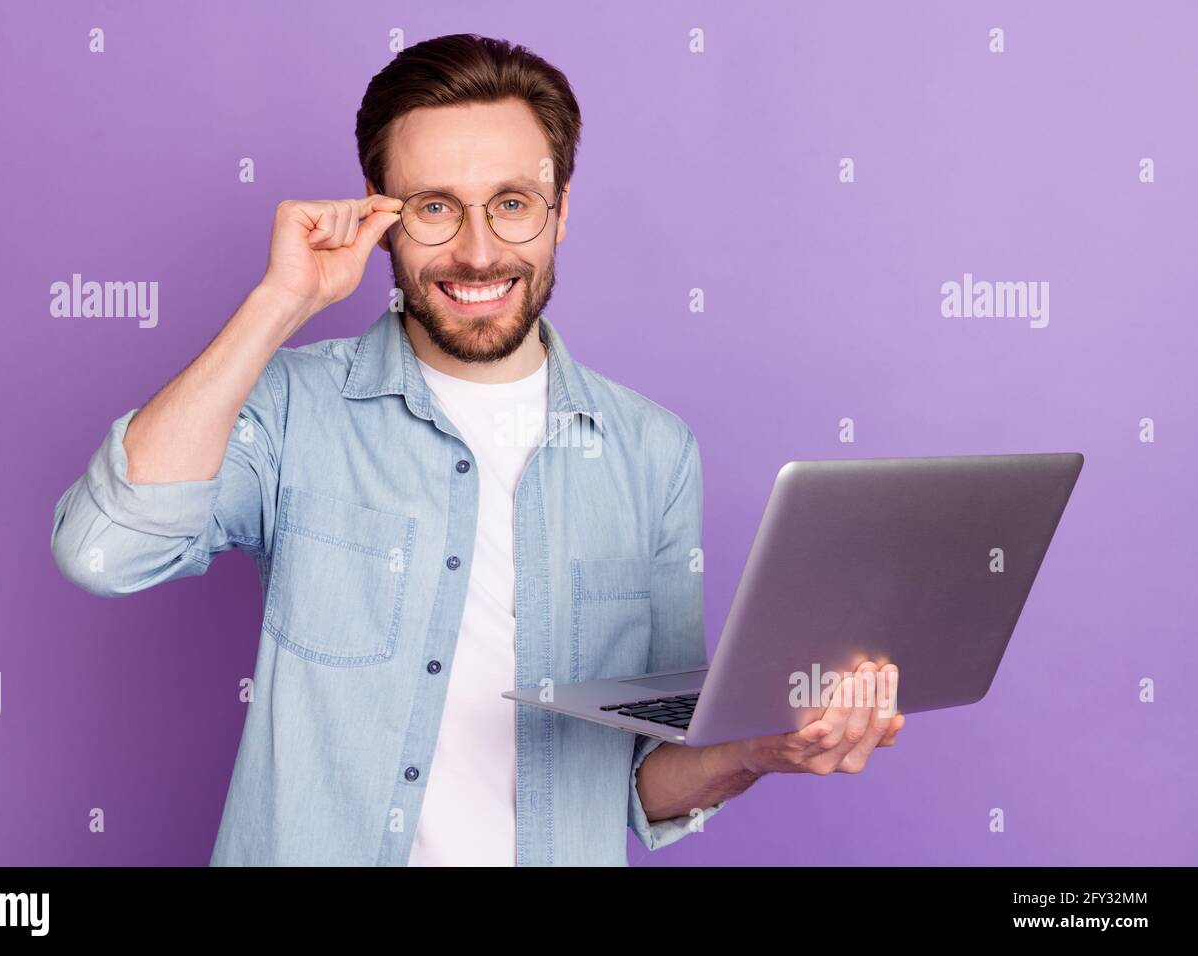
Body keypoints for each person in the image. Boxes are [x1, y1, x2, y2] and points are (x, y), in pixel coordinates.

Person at [50, 33, 904, 867]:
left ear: (560, 211)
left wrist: (757, 750)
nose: (478, 250)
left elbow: (641, 776)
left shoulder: (653, 452)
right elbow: (106, 552)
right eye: (433, 207)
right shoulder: (288, 407)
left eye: (511, 202)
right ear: (380, 216)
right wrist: (279, 302)